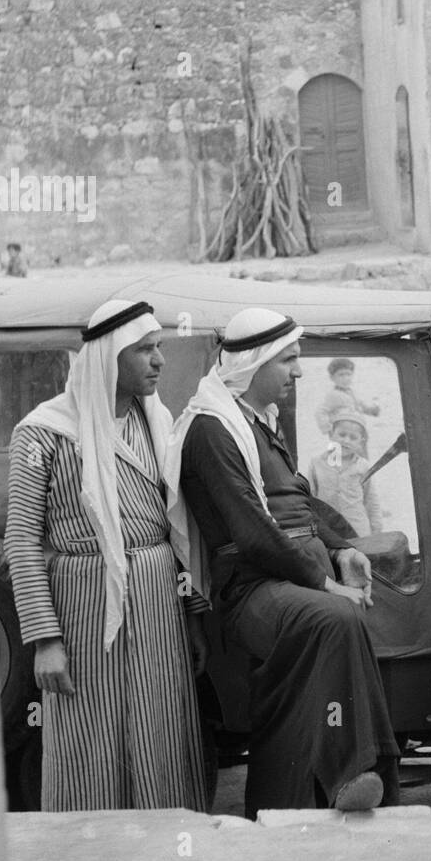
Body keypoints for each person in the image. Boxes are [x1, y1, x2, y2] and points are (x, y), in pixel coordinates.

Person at [167, 307, 400, 815]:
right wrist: (324, 581)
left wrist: (345, 551)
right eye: (289, 360)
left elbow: (301, 503)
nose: (298, 372)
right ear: (256, 363)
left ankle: (295, 800)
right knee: (334, 616)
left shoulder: (259, 424)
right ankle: (354, 772)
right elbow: (252, 532)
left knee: (298, 691)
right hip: (252, 590)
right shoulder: (213, 430)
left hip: (284, 578)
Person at [4, 299, 207, 812]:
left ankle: (161, 848)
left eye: (159, 347)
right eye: (143, 350)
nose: (158, 360)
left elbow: (180, 531)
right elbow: (22, 539)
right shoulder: (43, 432)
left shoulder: (156, 423)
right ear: (107, 358)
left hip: (158, 603)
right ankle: (90, 855)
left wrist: (194, 617)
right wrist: (44, 640)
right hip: (82, 608)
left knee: (156, 728)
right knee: (88, 737)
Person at [308, 409, 384, 537]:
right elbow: (309, 498)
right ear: (332, 434)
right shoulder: (316, 463)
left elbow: (372, 502)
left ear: (361, 441)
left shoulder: (363, 466)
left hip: (358, 531)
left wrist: (376, 532)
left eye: (353, 437)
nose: (346, 440)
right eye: (342, 434)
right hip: (328, 532)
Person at [312, 356, 380, 437]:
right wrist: (327, 428)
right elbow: (320, 411)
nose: (346, 378)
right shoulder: (333, 395)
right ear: (332, 378)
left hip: (356, 429)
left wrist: (372, 410)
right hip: (341, 433)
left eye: (348, 374)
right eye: (341, 375)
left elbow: (361, 405)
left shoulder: (352, 392)